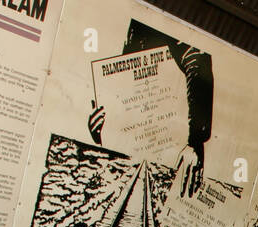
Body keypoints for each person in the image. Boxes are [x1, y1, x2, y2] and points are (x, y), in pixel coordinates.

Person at [88, 20, 214, 198]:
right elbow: (127, 80)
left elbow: (196, 60)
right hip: (143, 147)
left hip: (173, 150)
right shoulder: (132, 28)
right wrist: (104, 128)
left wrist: (195, 140)